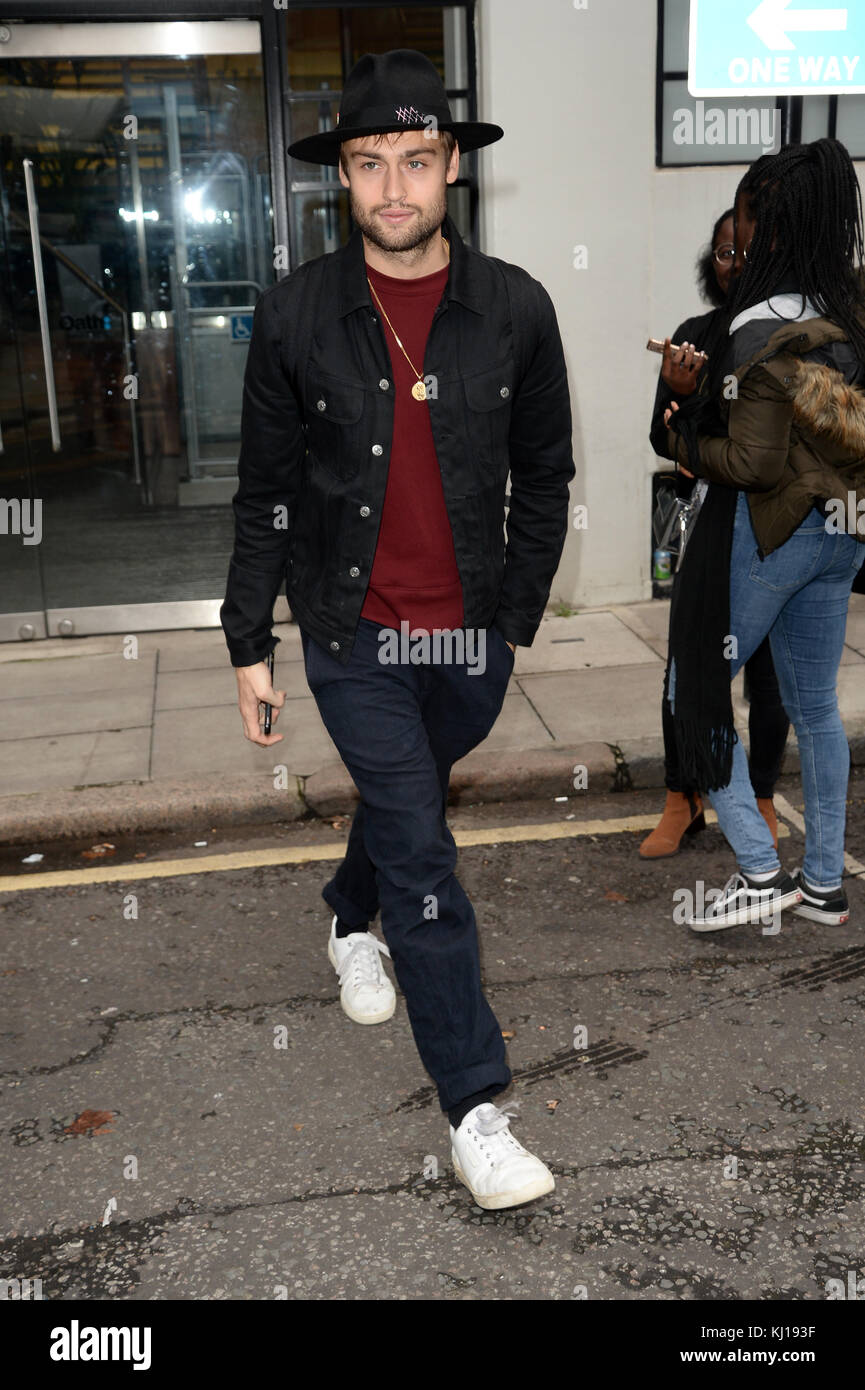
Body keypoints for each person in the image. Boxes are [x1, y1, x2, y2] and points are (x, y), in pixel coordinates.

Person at [219, 50, 575, 1208]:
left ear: (452, 167)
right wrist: (245, 641)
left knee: (403, 799)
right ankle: (477, 1108)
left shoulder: (517, 306)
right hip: (351, 631)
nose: (391, 188)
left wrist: (512, 619)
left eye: (414, 162)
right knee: (424, 849)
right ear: (345, 179)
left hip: (468, 636)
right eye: (368, 165)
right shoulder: (296, 314)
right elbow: (266, 490)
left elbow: (543, 472)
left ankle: (342, 913)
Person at [663, 138, 865, 931]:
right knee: (816, 705)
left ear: (768, 226)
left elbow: (750, 462)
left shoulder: (756, 322)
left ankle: (756, 868)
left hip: (770, 536)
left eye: (745, 214)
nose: (735, 234)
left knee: (691, 690)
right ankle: (823, 884)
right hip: (841, 535)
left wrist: (681, 439)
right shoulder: (848, 307)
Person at [642, 208, 790, 858]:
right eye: (722, 252)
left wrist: (698, 442)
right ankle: (683, 797)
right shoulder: (692, 335)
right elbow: (660, 436)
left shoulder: (787, 336)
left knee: (767, 674)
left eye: (745, 251)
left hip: (770, 530)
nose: (731, 262)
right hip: (707, 528)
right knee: (687, 668)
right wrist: (680, 392)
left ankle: (758, 794)